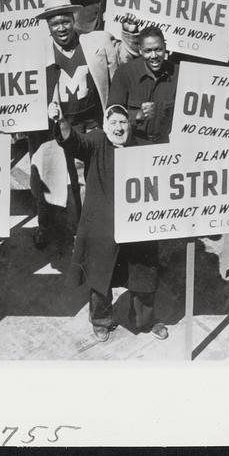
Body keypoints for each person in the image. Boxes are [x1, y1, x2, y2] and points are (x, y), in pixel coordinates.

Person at [28, 0, 139, 248]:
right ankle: (46, 226)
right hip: (54, 129)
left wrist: (130, 35)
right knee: (46, 180)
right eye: (55, 23)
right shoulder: (36, 52)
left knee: (90, 181)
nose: (61, 28)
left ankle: (89, 235)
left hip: (91, 124)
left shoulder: (96, 41)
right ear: (48, 26)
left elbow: (124, 59)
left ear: (73, 19)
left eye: (65, 21)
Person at [54, 102, 167, 341]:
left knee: (143, 274)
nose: (118, 127)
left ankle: (145, 321)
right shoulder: (96, 142)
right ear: (105, 126)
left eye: (123, 122)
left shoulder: (142, 146)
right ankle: (101, 320)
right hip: (103, 225)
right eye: (113, 122)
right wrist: (61, 121)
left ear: (130, 126)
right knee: (99, 276)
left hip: (136, 225)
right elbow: (73, 141)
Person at [108, 25, 179, 145]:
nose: (154, 56)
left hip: (166, 146)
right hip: (133, 144)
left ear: (165, 47)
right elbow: (111, 115)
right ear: (140, 50)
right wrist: (137, 115)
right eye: (148, 51)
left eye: (158, 49)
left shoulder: (177, 73)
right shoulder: (125, 73)